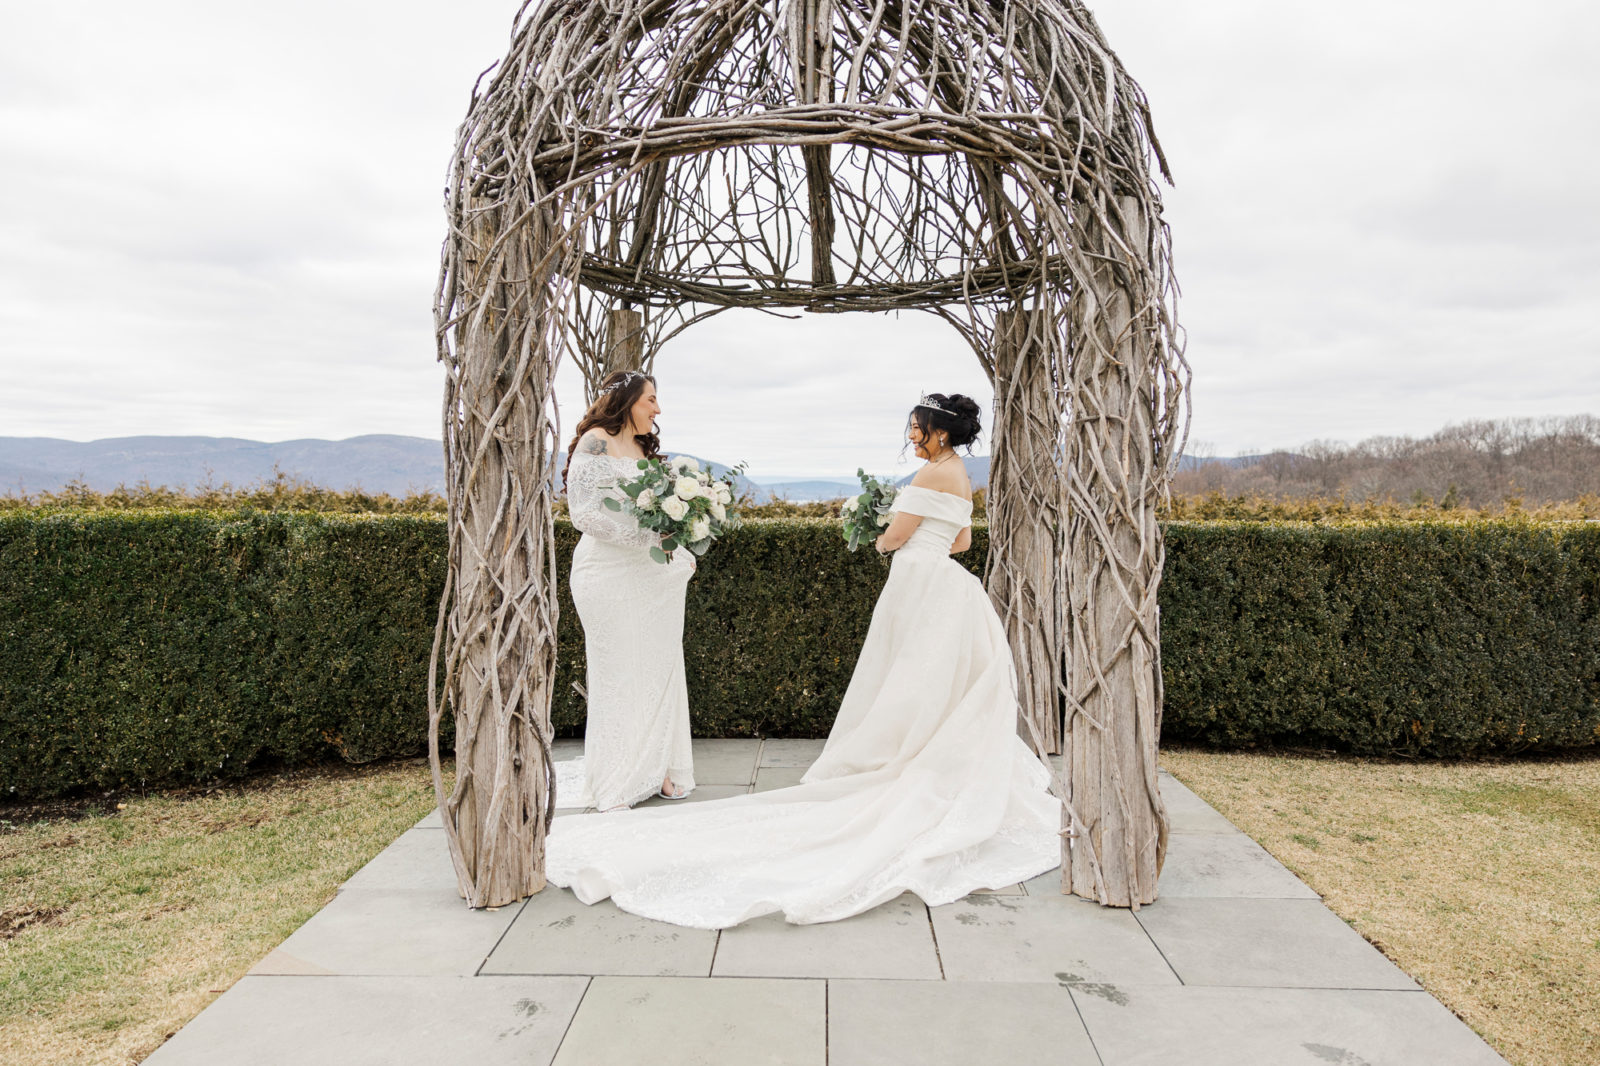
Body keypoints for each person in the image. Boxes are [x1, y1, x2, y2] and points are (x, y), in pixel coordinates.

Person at [544, 391, 1059, 928]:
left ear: (942, 433)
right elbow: (961, 543)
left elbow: (892, 539)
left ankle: (899, 761)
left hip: (916, 584)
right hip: (952, 587)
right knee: (935, 683)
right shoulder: (961, 478)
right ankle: (924, 755)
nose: (911, 436)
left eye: (917, 428)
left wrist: (880, 531)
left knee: (903, 677)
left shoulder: (929, 477)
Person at [561, 369, 696, 811]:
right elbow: (584, 514)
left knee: (659, 667)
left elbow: (655, 514)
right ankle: (616, 779)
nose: (658, 409)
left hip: (651, 576)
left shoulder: (644, 449)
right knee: (618, 672)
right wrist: (646, 541)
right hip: (605, 573)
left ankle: (660, 768)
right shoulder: (595, 440)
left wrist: (677, 537)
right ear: (628, 401)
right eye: (651, 399)